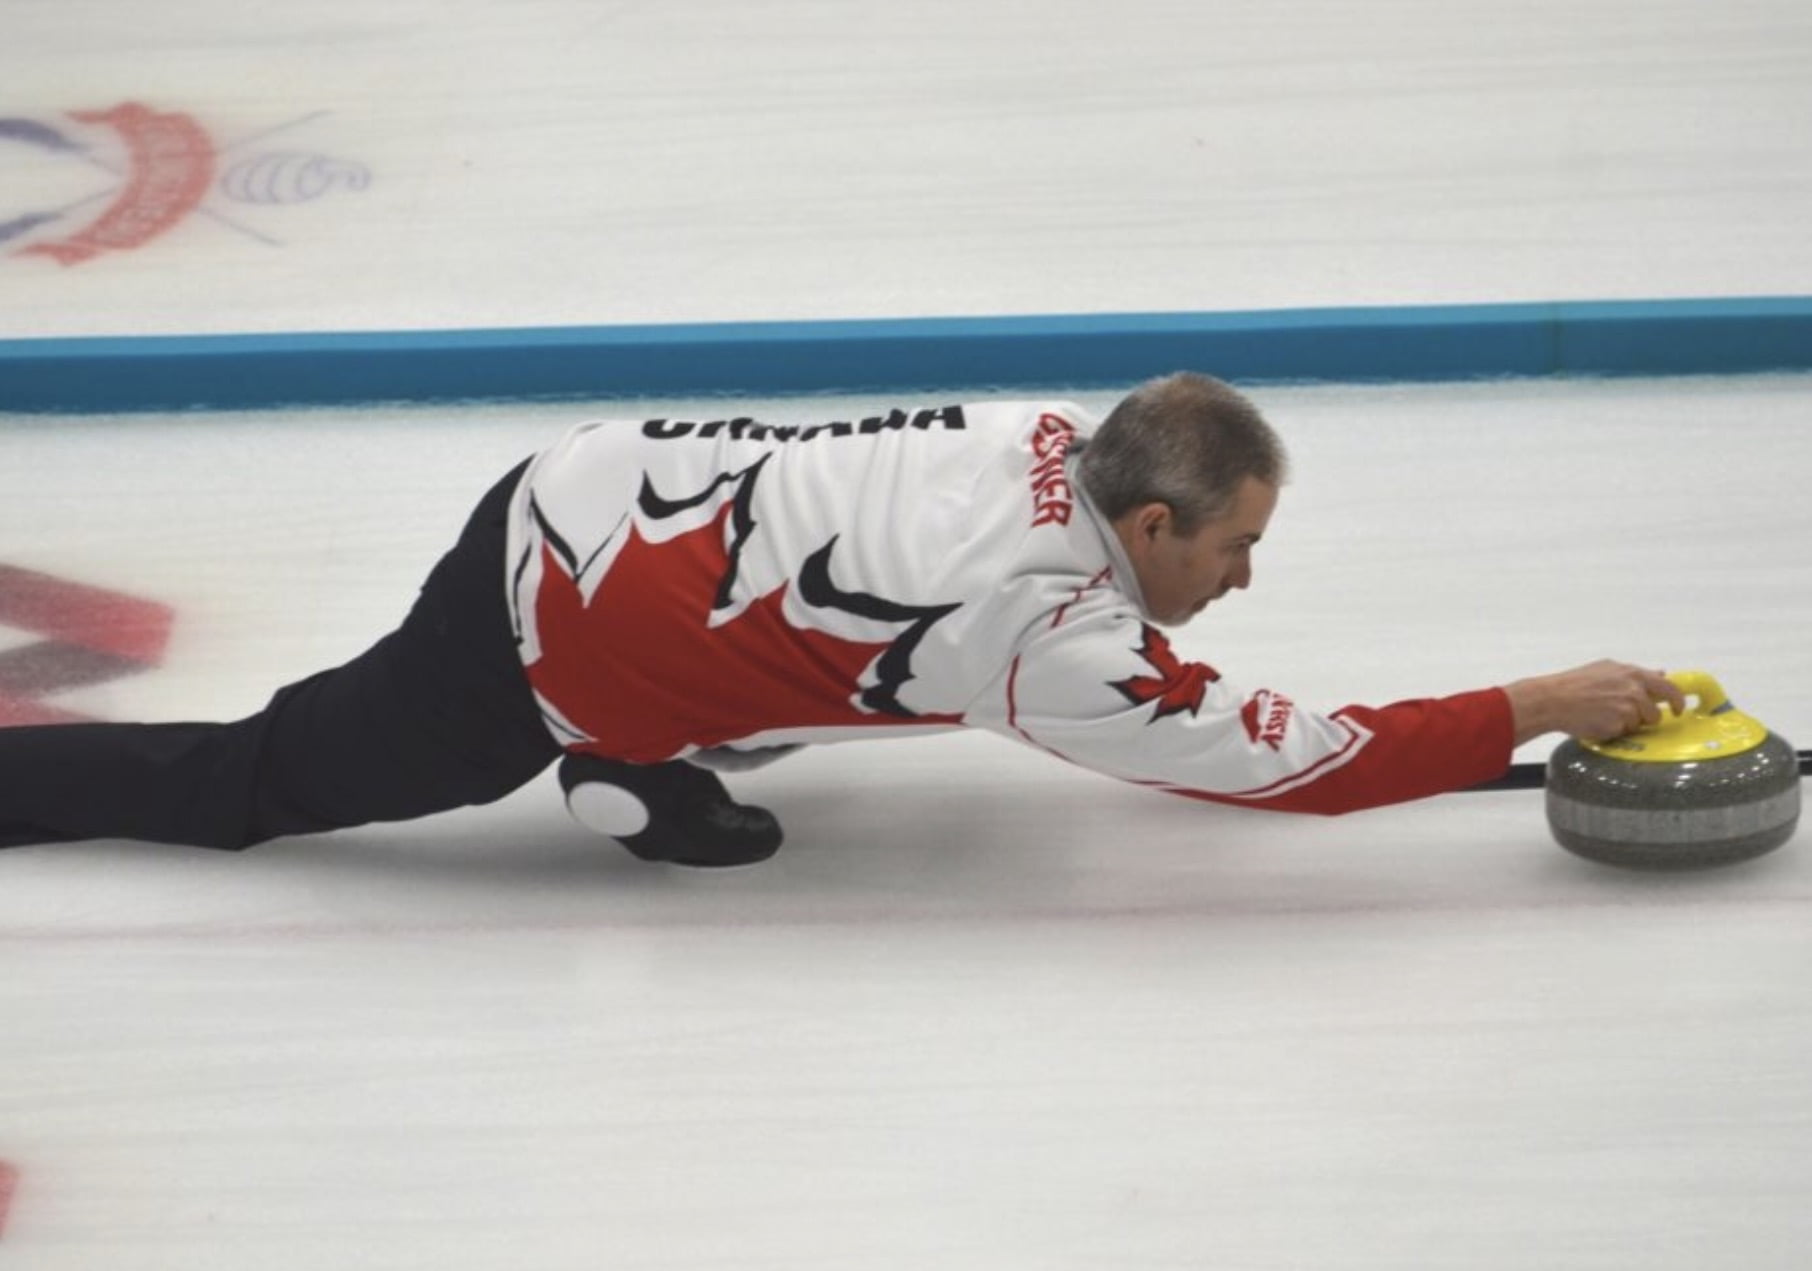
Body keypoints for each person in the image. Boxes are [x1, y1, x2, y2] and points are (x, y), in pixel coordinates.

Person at [0, 372, 1683, 867]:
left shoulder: (1050, 435)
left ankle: (637, 760)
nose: (1247, 577)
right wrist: (1537, 699)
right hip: (541, 632)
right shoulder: (1045, 640)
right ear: (1152, 521)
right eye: (1236, 547)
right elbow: (1295, 765)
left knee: (861, 659)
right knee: (255, 783)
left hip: (595, 489)